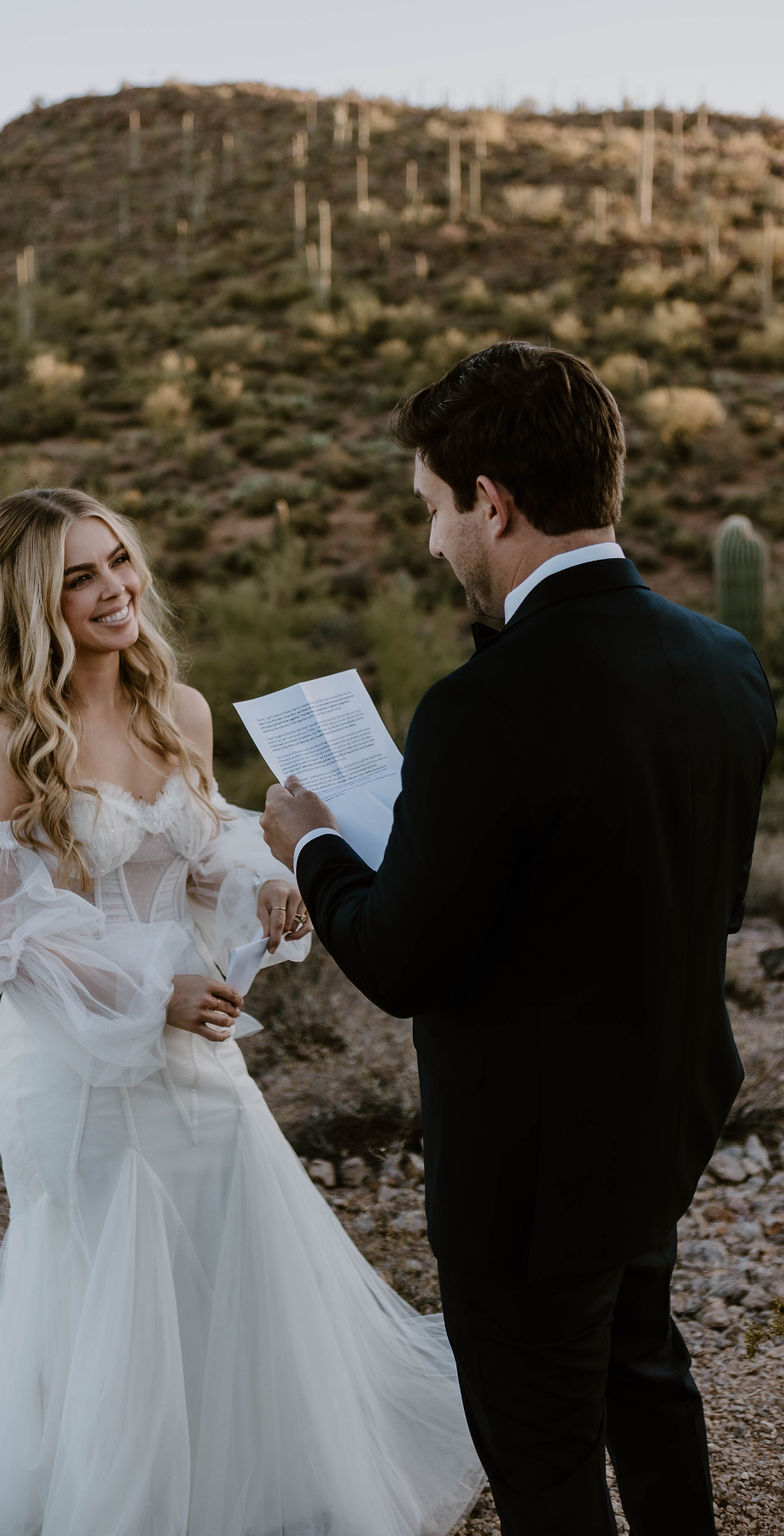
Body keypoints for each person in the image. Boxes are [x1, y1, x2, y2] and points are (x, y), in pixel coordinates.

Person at [0, 488, 483, 1536]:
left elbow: (197, 857)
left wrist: (266, 884)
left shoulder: (174, 710)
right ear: (33, 607)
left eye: (119, 563)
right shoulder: (5, 740)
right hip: (76, 1067)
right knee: (115, 1286)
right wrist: (155, 991)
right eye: (80, 579)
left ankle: (245, 1492)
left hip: (195, 1056)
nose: (114, 591)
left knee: (229, 1247)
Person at [261, 342, 778, 1536]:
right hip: (669, 1111)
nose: (434, 542)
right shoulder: (727, 665)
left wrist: (310, 844)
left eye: (436, 512)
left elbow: (399, 962)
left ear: (489, 501)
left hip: (528, 1163)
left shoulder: (482, 707)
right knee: (644, 1373)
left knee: (542, 1455)